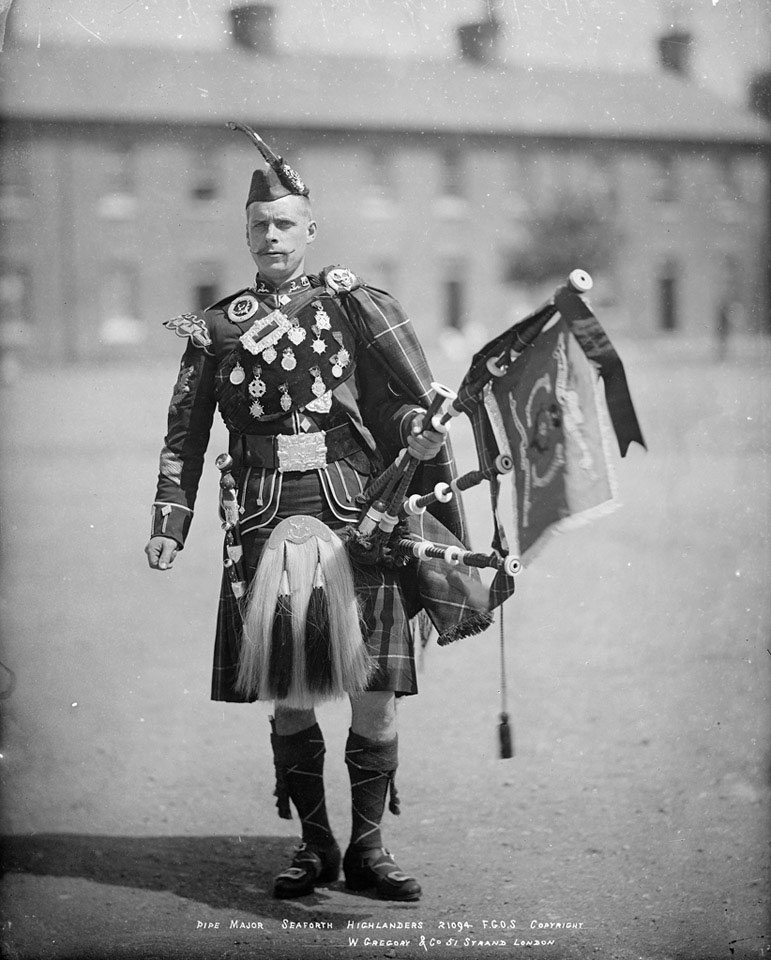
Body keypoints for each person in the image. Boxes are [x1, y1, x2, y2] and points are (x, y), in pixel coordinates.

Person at [144, 127, 479, 903]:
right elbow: (184, 434)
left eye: (285, 224)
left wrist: (418, 431)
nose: (272, 236)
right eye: (260, 226)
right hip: (266, 516)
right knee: (291, 693)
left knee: (375, 691)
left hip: (354, 510)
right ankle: (315, 845)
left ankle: (369, 849)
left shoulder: (350, 306)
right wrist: (170, 520)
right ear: (246, 235)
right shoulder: (217, 328)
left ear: (310, 230)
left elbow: (393, 406)